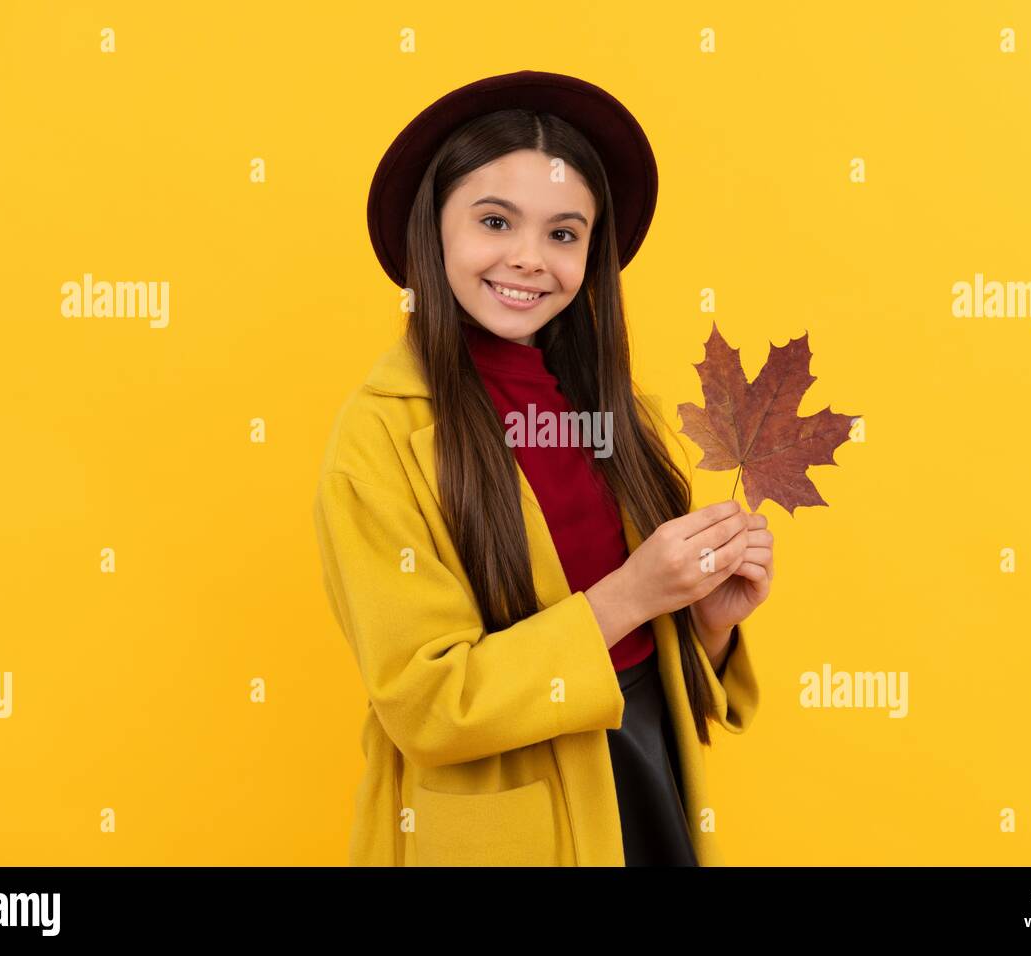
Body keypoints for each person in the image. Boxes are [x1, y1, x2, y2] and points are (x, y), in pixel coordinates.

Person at [314, 70, 772, 866]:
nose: (529, 260)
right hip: (503, 823)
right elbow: (426, 705)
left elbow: (645, 648)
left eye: (563, 234)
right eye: (495, 221)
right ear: (436, 229)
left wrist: (710, 621)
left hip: (643, 764)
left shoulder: (619, 412)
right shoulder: (379, 436)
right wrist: (632, 592)